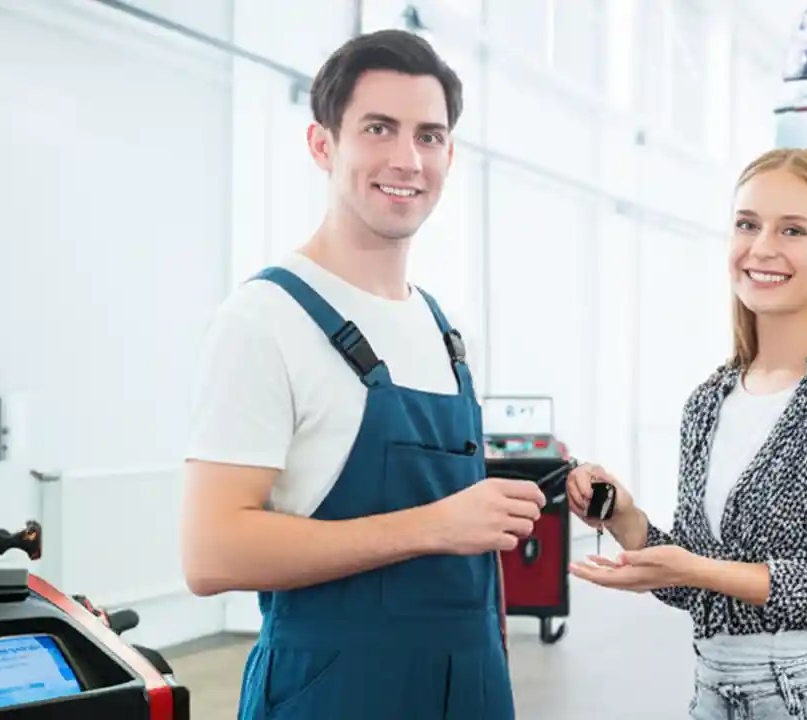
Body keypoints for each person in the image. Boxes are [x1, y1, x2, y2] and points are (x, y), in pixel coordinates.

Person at [180, 29, 544, 720]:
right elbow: (212, 552)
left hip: (471, 687)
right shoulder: (263, 320)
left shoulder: (442, 328)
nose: (408, 159)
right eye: (379, 129)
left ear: (449, 155)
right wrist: (434, 526)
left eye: (429, 136)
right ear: (323, 145)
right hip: (335, 691)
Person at [565, 147, 807, 720]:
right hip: (713, 695)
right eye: (748, 224)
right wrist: (625, 519)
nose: (762, 248)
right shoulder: (709, 401)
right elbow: (697, 589)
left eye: (792, 230)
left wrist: (698, 569)